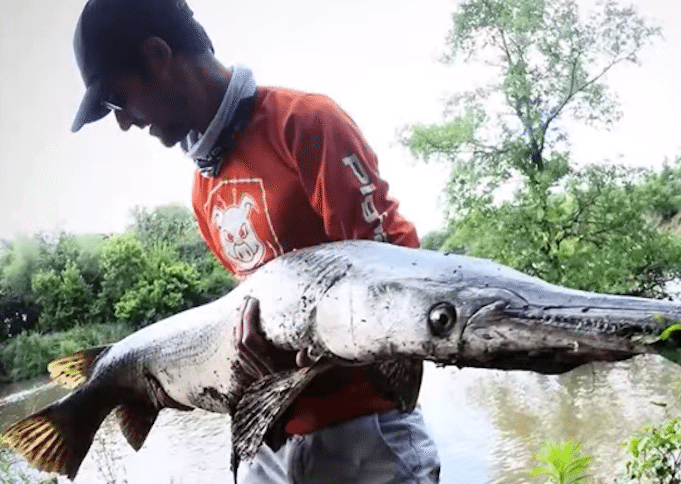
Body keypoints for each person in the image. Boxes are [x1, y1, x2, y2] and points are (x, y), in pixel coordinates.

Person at [69, 0, 441, 482]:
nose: (125, 122)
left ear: (158, 56)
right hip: (270, 443)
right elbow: (255, 320)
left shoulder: (304, 124)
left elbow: (399, 273)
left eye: (119, 101)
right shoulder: (203, 189)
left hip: (367, 435)